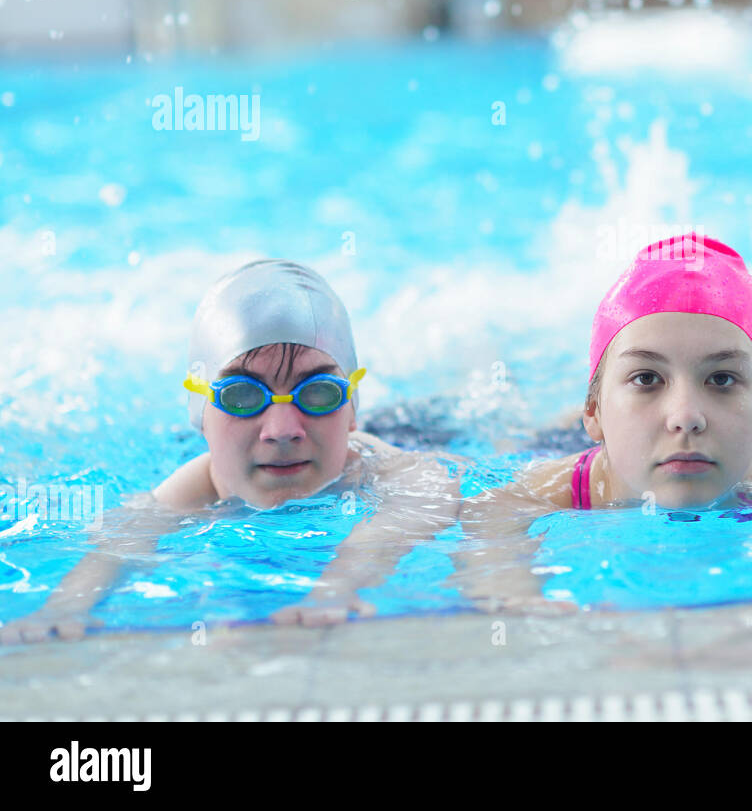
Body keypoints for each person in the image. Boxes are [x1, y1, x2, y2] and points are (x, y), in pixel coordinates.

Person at [1, 260, 458, 643]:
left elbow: (423, 500)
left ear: (353, 411)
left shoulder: (380, 466)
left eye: (319, 394)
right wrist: (65, 608)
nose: (282, 431)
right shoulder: (197, 485)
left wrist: (337, 587)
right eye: (242, 396)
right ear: (202, 415)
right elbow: (118, 544)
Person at [456, 235, 752, 612]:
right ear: (592, 414)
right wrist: (510, 586)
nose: (687, 417)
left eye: (722, 378)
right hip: (554, 439)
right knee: (506, 433)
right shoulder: (562, 484)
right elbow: (491, 513)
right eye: (647, 378)